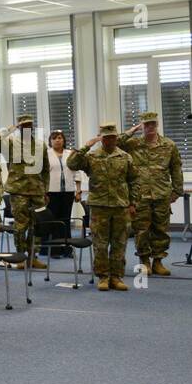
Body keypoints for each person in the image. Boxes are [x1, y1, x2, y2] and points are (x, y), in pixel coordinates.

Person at [68, 124, 140, 291]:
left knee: (119, 243)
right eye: (106, 137)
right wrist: (87, 145)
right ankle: (103, 276)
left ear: (116, 137)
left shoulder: (125, 157)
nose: (110, 140)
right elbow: (71, 163)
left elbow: (134, 181)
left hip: (120, 206)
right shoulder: (92, 156)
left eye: (112, 137)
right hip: (99, 207)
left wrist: (133, 203)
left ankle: (116, 277)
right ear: (101, 138)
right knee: (100, 243)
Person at [119, 111, 183, 276]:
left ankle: (158, 261)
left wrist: (177, 190)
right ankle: (145, 261)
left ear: (157, 124)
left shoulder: (169, 145)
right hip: (140, 195)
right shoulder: (133, 144)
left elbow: (176, 168)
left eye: (153, 124)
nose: (150, 127)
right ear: (142, 126)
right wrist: (132, 130)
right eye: (146, 124)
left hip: (162, 194)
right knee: (142, 230)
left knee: (161, 229)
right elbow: (115, 143)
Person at [0, 115, 49, 269]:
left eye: (29, 125)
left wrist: (46, 190)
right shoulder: (11, 144)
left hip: (37, 191)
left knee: (36, 225)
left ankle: (33, 256)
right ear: (19, 127)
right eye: (23, 125)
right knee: (21, 226)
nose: (27, 128)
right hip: (18, 191)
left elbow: (45, 170)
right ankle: (20, 257)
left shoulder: (40, 145)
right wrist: (8, 130)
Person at [44, 130, 81, 257]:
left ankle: (67, 249)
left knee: (66, 219)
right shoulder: (46, 154)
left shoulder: (70, 154)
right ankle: (54, 249)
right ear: (50, 141)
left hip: (68, 192)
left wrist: (78, 190)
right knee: (53, 220)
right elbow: (42, 174)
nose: (57, 140)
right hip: (51, 192)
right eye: (54, 138)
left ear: (64, 140)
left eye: (60, 138)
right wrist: (43, 192)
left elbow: (76, 172)